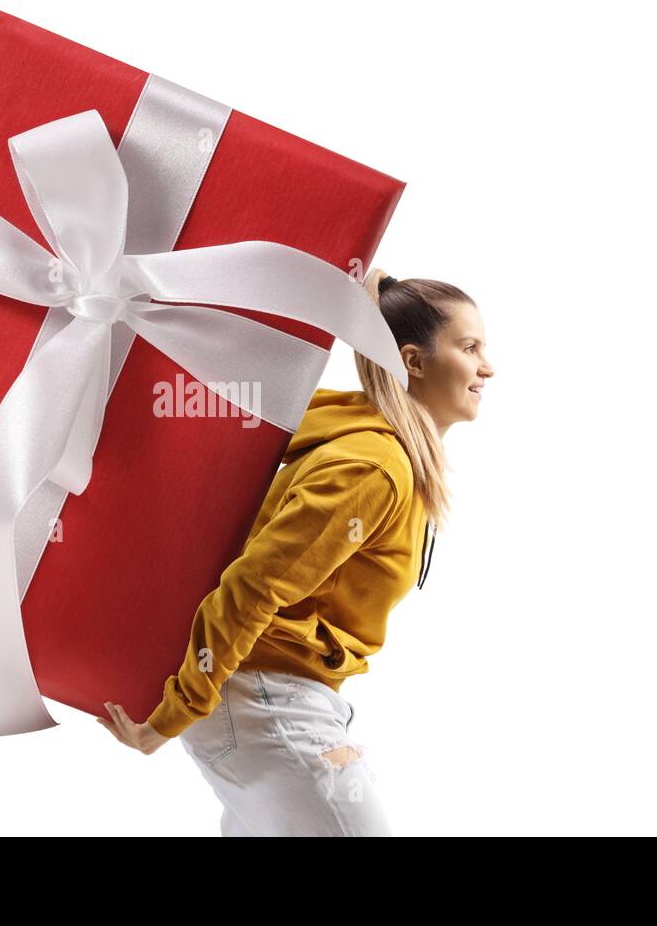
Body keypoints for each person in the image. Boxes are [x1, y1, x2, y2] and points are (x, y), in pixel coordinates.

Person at [97, 268, 495, 835]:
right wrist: (175, 713)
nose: (488, 367)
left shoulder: (373, 443)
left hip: (275, 703)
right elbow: (255, 583)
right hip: (268, 704)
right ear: (415, 361)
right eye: (470, 347)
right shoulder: (374, 469)